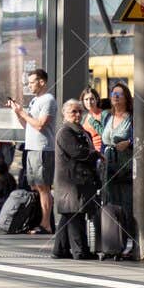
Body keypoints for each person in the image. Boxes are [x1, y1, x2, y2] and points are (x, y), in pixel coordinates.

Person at [8, 68, 55, 234]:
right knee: (36, 186)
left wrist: (23, 113)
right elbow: (28, 125)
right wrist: (18, 113)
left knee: (44, 187)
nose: (29, 86)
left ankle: (46, 224)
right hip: (32, 148)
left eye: (31, 82)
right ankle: (41, 220)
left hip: (42, 148)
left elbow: (40, 124)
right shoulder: (35, 101)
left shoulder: (48, 100)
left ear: (42, 82)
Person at [52, 98, 100, 261]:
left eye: (80, 111)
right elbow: (79, 153)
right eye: (73, 111)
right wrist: (95, 154)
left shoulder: (82, 131)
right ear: (65, 114)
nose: (78, 114)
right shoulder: (65, 132)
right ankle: (80, 251)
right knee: (75, 214)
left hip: (79, 181)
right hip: (70, 182)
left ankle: (60, 250)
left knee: (69, 215)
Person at [101, 82, 134, 208]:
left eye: (119, 94)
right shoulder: (107, 116)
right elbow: (104, 141)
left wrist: (129, 142)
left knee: (125, 202)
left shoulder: (132, 117)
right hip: (108, 165)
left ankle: (127, 227)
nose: (115, 96)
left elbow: (141, 139)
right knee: (110, 202)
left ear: (126, 98)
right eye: (113, 94)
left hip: (126, 167)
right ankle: (113, 228)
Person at [80, 87, 106, 152]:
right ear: (83, 101)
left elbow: (106, 135)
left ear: (97, 99)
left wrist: (92, 120)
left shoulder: (104, 114)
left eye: (92, 99)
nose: (89, 102)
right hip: (88, 153)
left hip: (101, 152)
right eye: (86, 99)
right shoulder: (84, 117)